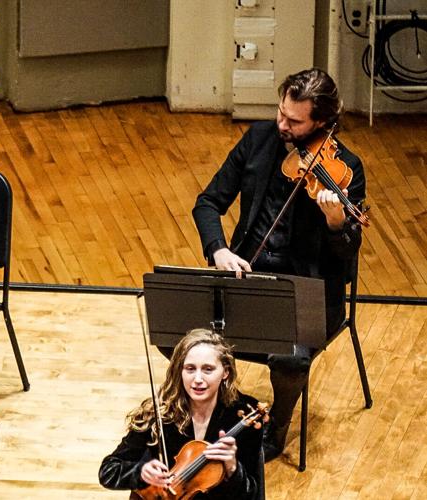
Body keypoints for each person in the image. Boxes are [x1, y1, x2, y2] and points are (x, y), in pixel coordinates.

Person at [191, 68, 365, 460]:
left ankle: (277, 426)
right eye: (281, 113)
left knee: (290, 358)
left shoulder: (346, 170)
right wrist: (218, 250)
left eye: (294, 120)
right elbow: (207, 202)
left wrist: (337, 223)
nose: (282, 124)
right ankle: (224, 412)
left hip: (305, 290)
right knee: (180, 335)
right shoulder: (258, 139)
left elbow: (348, 253)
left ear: (322, 122)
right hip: (247, 274)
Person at [99, 329, 263, 499]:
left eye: (208, 369)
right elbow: (108, 472)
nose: (198, 379)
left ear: (225, 372)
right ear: (180, 371)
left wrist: (233, 469)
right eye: (190, 369)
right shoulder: (159, 414)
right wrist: (140, 473)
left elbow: (252, 495)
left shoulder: (243, 416)